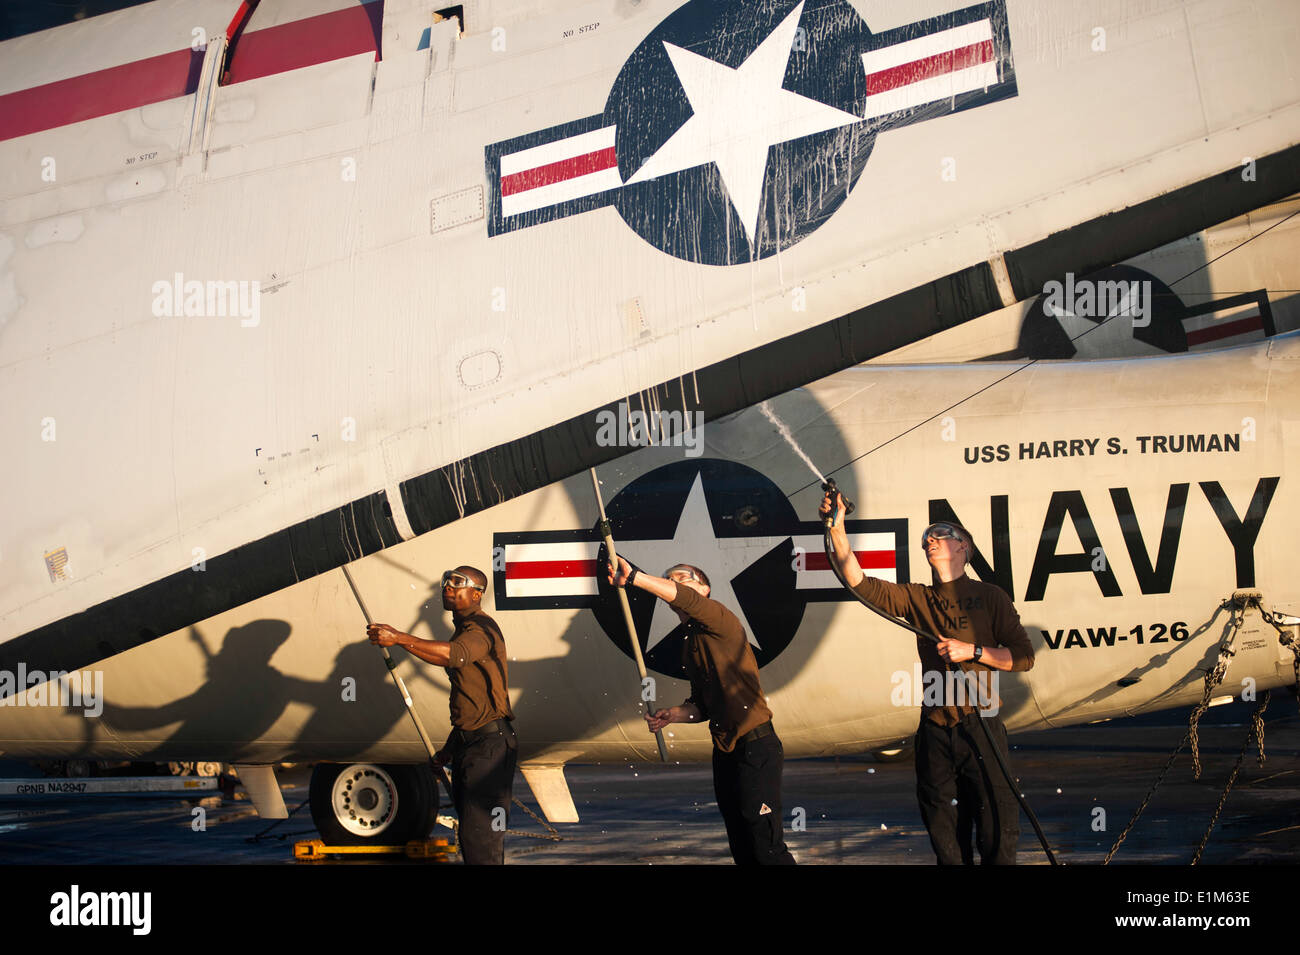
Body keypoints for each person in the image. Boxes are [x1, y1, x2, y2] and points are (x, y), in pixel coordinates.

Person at [820, 490, 1034, 864]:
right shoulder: (917, 598)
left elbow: (1023, 657)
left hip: (979, 724)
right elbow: (858, 582)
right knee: (943, 827)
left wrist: (974, 652)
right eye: (925, 539)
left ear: (963, 547)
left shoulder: (990, 597)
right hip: (935, 728)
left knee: (996, 825)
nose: (929, 540)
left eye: (940, 533)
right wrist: (836, 528)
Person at [606, 555, 796, 865]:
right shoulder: (690, 642)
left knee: (766, 847)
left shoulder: (719, 618)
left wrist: (635, 578)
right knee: (742, 846)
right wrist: (675, 714)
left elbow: (684, 598)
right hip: (726, 752)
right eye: (671, 578)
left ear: (704, 590)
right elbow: (702, 706)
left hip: (755, 746)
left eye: (684, 577)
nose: (675, 582)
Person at [367, 565, 516, 865]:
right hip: (472, 745)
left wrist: (399, 638)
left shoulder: (481, 630)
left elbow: (454, 654)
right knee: (473, 838)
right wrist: (448, 751)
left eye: (458, 583)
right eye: (446, 581)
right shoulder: (463, 628)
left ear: (477, 594)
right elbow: (471, 705)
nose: (448, 586)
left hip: (490, 749)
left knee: (480, 840)